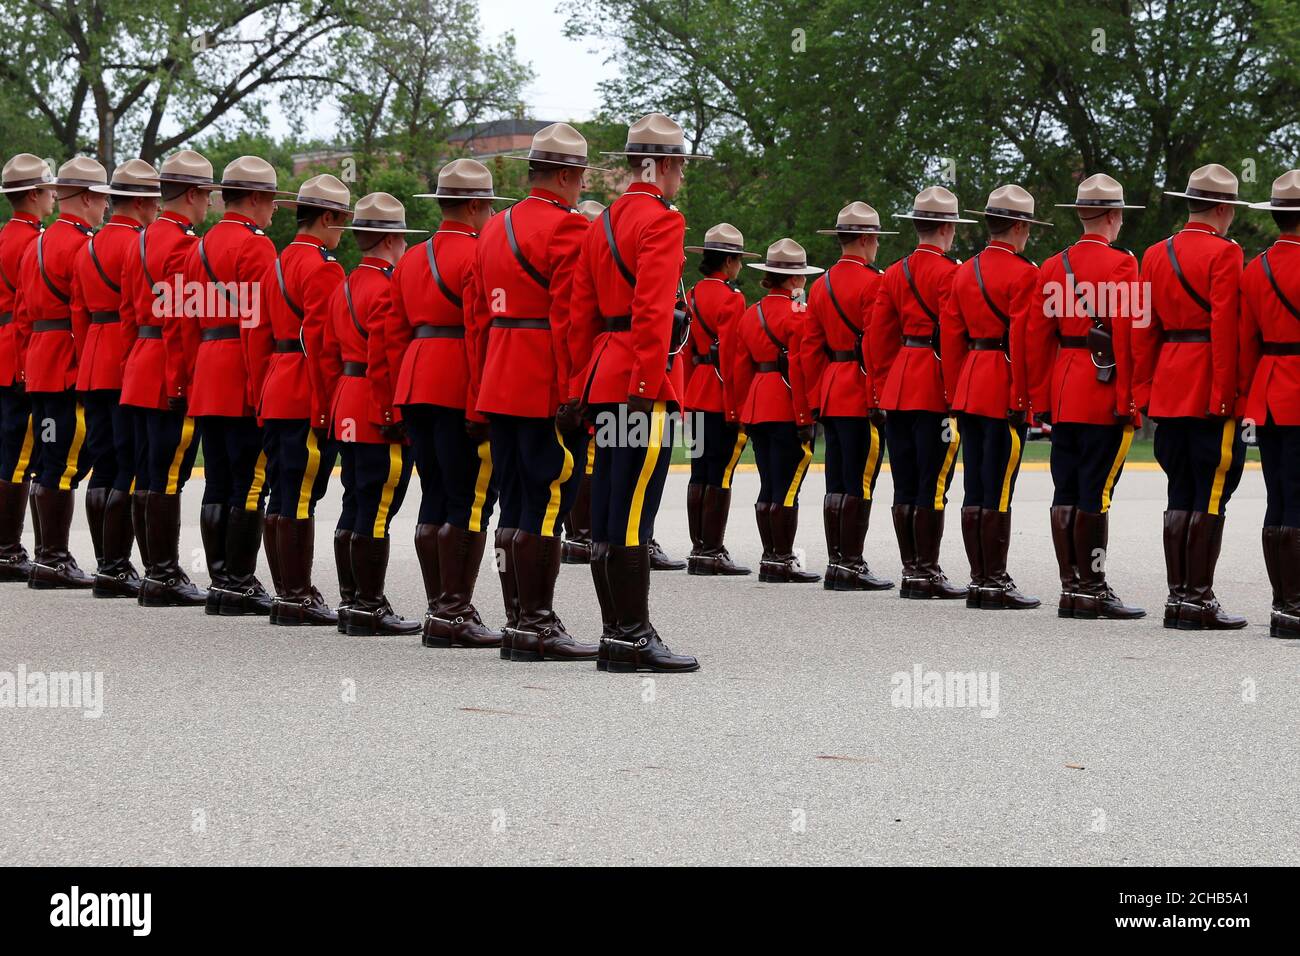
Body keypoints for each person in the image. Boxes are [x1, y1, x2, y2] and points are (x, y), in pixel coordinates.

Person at [569, 112, 706, 672]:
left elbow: (580, 315)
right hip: (635, 383)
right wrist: (646, 387)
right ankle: (629, 636)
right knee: (630, 517)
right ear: (669, 165)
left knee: (607, 509)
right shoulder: (663, 221)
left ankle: (616, 631)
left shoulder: (602, 223)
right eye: (681, 168)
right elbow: (651, 313)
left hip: (602, 375)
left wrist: (578, 386)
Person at [467, 123, 599, 663]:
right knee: (547, 499)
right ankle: (537, 625)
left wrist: (479, 388)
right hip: (543, 377)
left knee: (515, 503)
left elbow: (477, 319)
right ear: (569, 175)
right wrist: (575, 390)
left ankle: (519, 618)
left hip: (499, 377)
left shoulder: (494, 227)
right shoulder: (569, 229)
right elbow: (571, 317)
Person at [374, 160, 510, 648]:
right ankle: (454, 613)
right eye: (488, 205)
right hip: (457, 382)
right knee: (469, 501)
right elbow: (479, 331)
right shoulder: (478, 255)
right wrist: (480, 404)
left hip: (415, 379)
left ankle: (439, 609)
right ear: (475, 205)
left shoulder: (411, 259)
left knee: (433, 497)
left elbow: (391, 335)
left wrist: (394, 399)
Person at [1133, 163, 1250, 631]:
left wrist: (1143, 389)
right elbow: (1225, 329)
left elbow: (1144, 329)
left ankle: (1178, 598)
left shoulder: (1154, 254)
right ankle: (1198, 599)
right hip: (1206, 385)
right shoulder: (1226, 254)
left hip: (1168, 382)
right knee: (1213, 491)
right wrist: (1227, 394)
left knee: (1179, 490)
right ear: (1223, 207)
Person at [1028, 173, 1146, 620]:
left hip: (1064, 389)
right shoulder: (1123, 265)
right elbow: (1130, 339)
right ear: (1113, 217)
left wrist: (1040, 398)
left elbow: (1039, 340)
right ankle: (1092, 588)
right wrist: (1130, 398)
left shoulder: (1052, 266)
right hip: (1102, 390)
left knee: (1067, 489)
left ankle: (1071, 587)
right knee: (1096, 493)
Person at [177, 156, 285, 616]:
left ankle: (222, 580)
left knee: (219, 481)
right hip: (241, 371)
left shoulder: (197, 247)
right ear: (257, 199)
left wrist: (186, 378)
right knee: (249, 482)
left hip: (207, 368)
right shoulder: (257, 247)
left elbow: (183, 323)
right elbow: (256, 325)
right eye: (273, 200)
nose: (276, 210)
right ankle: (238, 581)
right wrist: (263, 384)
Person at [941, 185, 1050, 610]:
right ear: (1020, 226)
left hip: (970, 381)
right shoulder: (1026, 273)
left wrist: (955, 391)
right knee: (1000, 489)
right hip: (1004, 383)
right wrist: (1029, 395)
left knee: (975, 486)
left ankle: (978, 579)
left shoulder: (964, 271)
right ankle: (995, 581)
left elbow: (951, 337)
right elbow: (1027, 342)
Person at [320, 191, 422, 635]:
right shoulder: (386, 286)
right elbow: (386, 357)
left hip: (347, 397)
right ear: (391, 240)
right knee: (378, 505)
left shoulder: (344, 283)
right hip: (373, 403)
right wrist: (393, 410)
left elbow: (326, 353)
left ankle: (351, 599)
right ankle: (368, 604)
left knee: (354, 501)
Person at [253, 174, 352, 626]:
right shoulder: (324, 267)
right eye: (342, 221)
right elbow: (321, 344)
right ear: (327, 217)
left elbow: (255, 334)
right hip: (303, 390)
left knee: (282, 491)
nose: (343, 230)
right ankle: (295, 595)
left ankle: (286, 593)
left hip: (277, 383)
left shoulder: (277, 261)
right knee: (299, 496)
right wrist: (325, 403)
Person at [119, 149, 215, 607]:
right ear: (193, 193)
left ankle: (154, 573)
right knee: (168, 476)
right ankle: (163, 574)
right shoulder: (183, 244)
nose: (209, 203)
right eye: (207, 194)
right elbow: (181, 318)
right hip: (165, 369)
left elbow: (125, 314)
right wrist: (181, 381)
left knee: (146, 473)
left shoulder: (140, 238)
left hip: (140, 361)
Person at [869, 186, 972, 600]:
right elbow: (951, 335)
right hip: (934, 384)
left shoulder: (894, 272)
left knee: (905, 482)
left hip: (900, 381)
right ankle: (926, 571)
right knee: (933, 483)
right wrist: (955, 389)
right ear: (947, 228)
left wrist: (879, 387)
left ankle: (912, 569)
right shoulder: (951, 273)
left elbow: (877, 338)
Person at [70, 159, 162, 598]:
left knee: (102, 464)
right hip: (126, 360)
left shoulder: (87, 246)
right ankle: (118, 566)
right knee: (129, 465)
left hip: (91, 359)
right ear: (143, 203)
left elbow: (77, 313)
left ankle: (108, 564)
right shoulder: (138, 245)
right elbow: (136, 310)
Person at [16, 157, 109, 588]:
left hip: (39, 361)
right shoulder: (79, 245)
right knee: (65, 459)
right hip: (65, 365)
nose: (106, 207)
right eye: (103, 199)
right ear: (88, 197)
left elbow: (21, 315)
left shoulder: (37, 241)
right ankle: (53, 559)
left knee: (48, 458)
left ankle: (45, 557)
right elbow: (80, 312)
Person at [804, 202, 895, 590]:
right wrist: (879, 394)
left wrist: (812, 398)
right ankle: (852, 564)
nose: (876, 246)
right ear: (864, 238)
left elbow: (809, 349)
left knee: (836, 481)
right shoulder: (874, 282)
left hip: (831, 385)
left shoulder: (820, 283)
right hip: (860, 388)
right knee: (859, 481)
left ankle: (836, 562)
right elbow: (876, 344)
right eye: (874, 239)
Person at [731, 238, 823, 584]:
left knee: (769, 483)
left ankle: (771, 555)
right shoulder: (799, 314)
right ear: (796, 280)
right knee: (787, 488)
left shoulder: (750, 313)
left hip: (757, 402)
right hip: (785, 404)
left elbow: (741, 369)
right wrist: (805, 416)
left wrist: (741, 410)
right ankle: (781, 559)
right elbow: (799, 369)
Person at [1238, 169, 1300, 638]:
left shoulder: (1254, 268)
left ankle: (1284, 604)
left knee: (1279, 497)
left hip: (1270, 390)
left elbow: (1247, 343)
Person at [680, 222, 754, 576]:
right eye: (737, 260)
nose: (738, 266)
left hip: (695, 392)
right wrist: (736, 406)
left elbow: (685, 351)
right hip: (721, 394)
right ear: (727, 263)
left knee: (699, 472)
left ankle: (699, 548)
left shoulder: (691, 295)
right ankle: (712, 550)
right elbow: (733, 359)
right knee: (721, 475)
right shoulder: (732, 298)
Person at [0, 154, 56, 582]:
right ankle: (7, 549)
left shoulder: (8, 235)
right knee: (19, 456)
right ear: (34, 193)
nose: (54, 195)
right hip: (16, 353)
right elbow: (24, 313)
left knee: (11, 452)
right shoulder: (29, 241)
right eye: (50, 188)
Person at [560, 198, 607, 565]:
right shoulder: (586, 258)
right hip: (587, 369)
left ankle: (578, 534)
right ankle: (581, 534)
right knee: (583, 459)